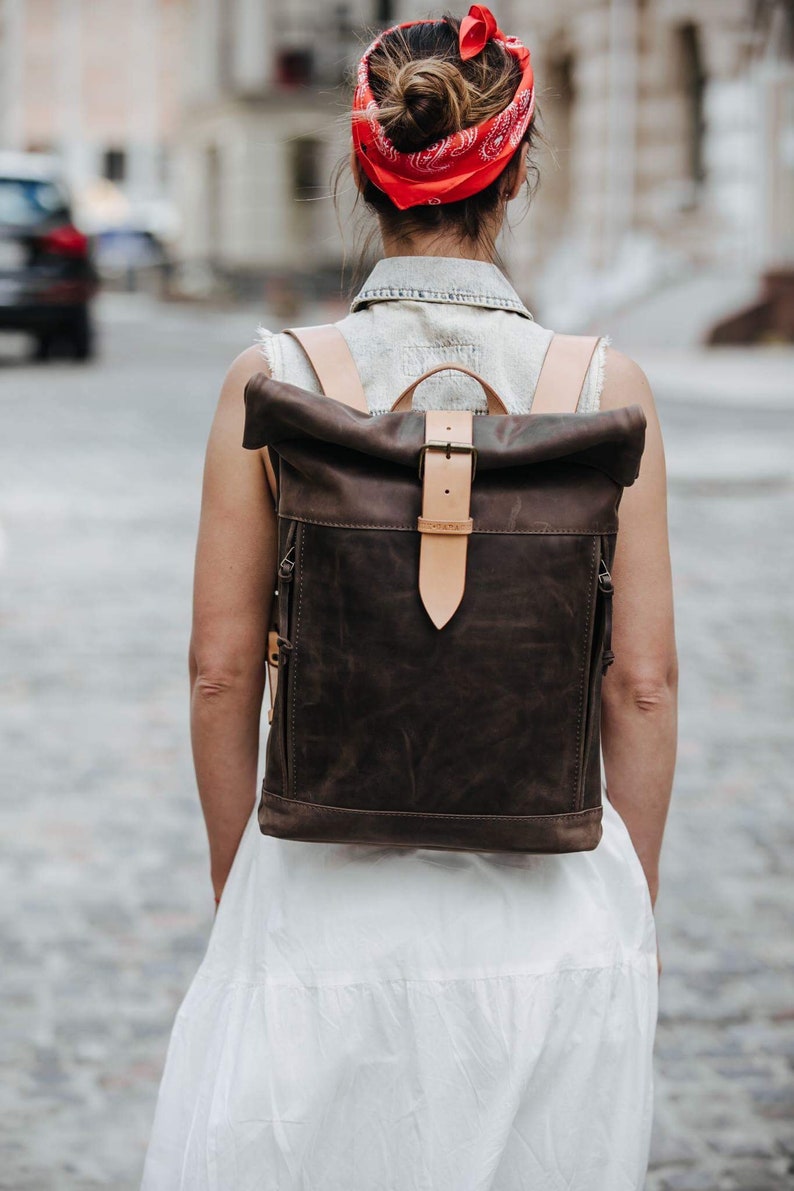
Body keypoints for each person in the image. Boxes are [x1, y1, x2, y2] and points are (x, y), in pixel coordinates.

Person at [140, 8, 677, 1189]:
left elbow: (219, 669)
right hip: (546, 902)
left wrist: (244, 891)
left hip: (318, 889)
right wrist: (627, 910)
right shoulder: (600, 386)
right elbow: (638, 682)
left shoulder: (271, 380)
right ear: (518, 167)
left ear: (362, 165)